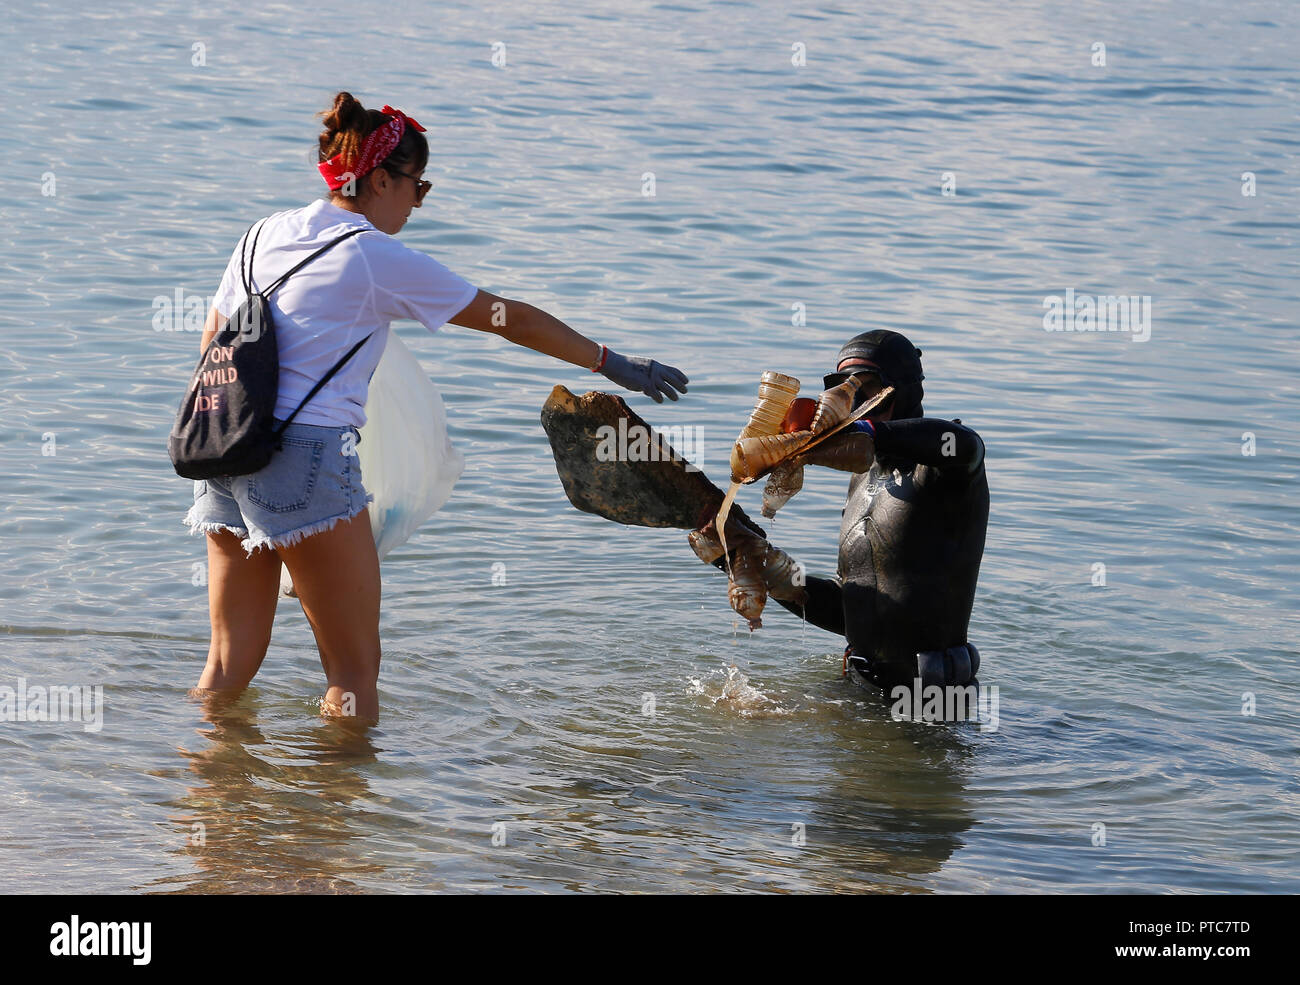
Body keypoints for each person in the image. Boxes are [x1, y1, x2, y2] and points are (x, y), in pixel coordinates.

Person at [185, 91, 688, 722]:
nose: (417, 204)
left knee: (226, 666)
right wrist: (613, 364)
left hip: (225, 449)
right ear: (379, 179)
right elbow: (511, 319)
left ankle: (208, 801)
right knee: (353, 677)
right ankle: (332, 818)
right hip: (305, 461)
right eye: (417, 188)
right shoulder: (372, 255)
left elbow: (214, 344)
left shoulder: (260, 235)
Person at [700, 330, 988, 691]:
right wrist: (756, 564)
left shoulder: (948, 468)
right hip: (859, 686)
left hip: (934, 704)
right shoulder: (863, 479)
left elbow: (964, 445)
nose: (853, 403)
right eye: (843, 389)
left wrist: (865, 432)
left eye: (868, 388)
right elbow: (847, 608)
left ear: (906, 389)